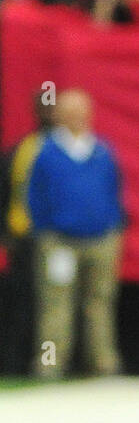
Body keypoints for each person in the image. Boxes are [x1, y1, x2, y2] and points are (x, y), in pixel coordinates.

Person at [27, 89, 125, 379]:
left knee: (100, 305)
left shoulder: (102, 151)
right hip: (59, 242)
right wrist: (47, 232)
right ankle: (50, 364)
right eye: (69, 111)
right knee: (55, 306)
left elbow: (113, 192)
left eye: (81, 111)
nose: (77, 117)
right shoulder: (46, 151)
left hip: (100, 240)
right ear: (58, 115)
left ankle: (104, 364)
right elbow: (34, 197)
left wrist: (112, 227)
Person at [1, 93, 55, 376]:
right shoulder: (23, 149)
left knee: (52, 306)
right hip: (23, 239)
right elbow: (7, 191)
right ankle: (13, 363)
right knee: (20, 304)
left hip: (57, 239)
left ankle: (49, 364)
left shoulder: (63, 150)